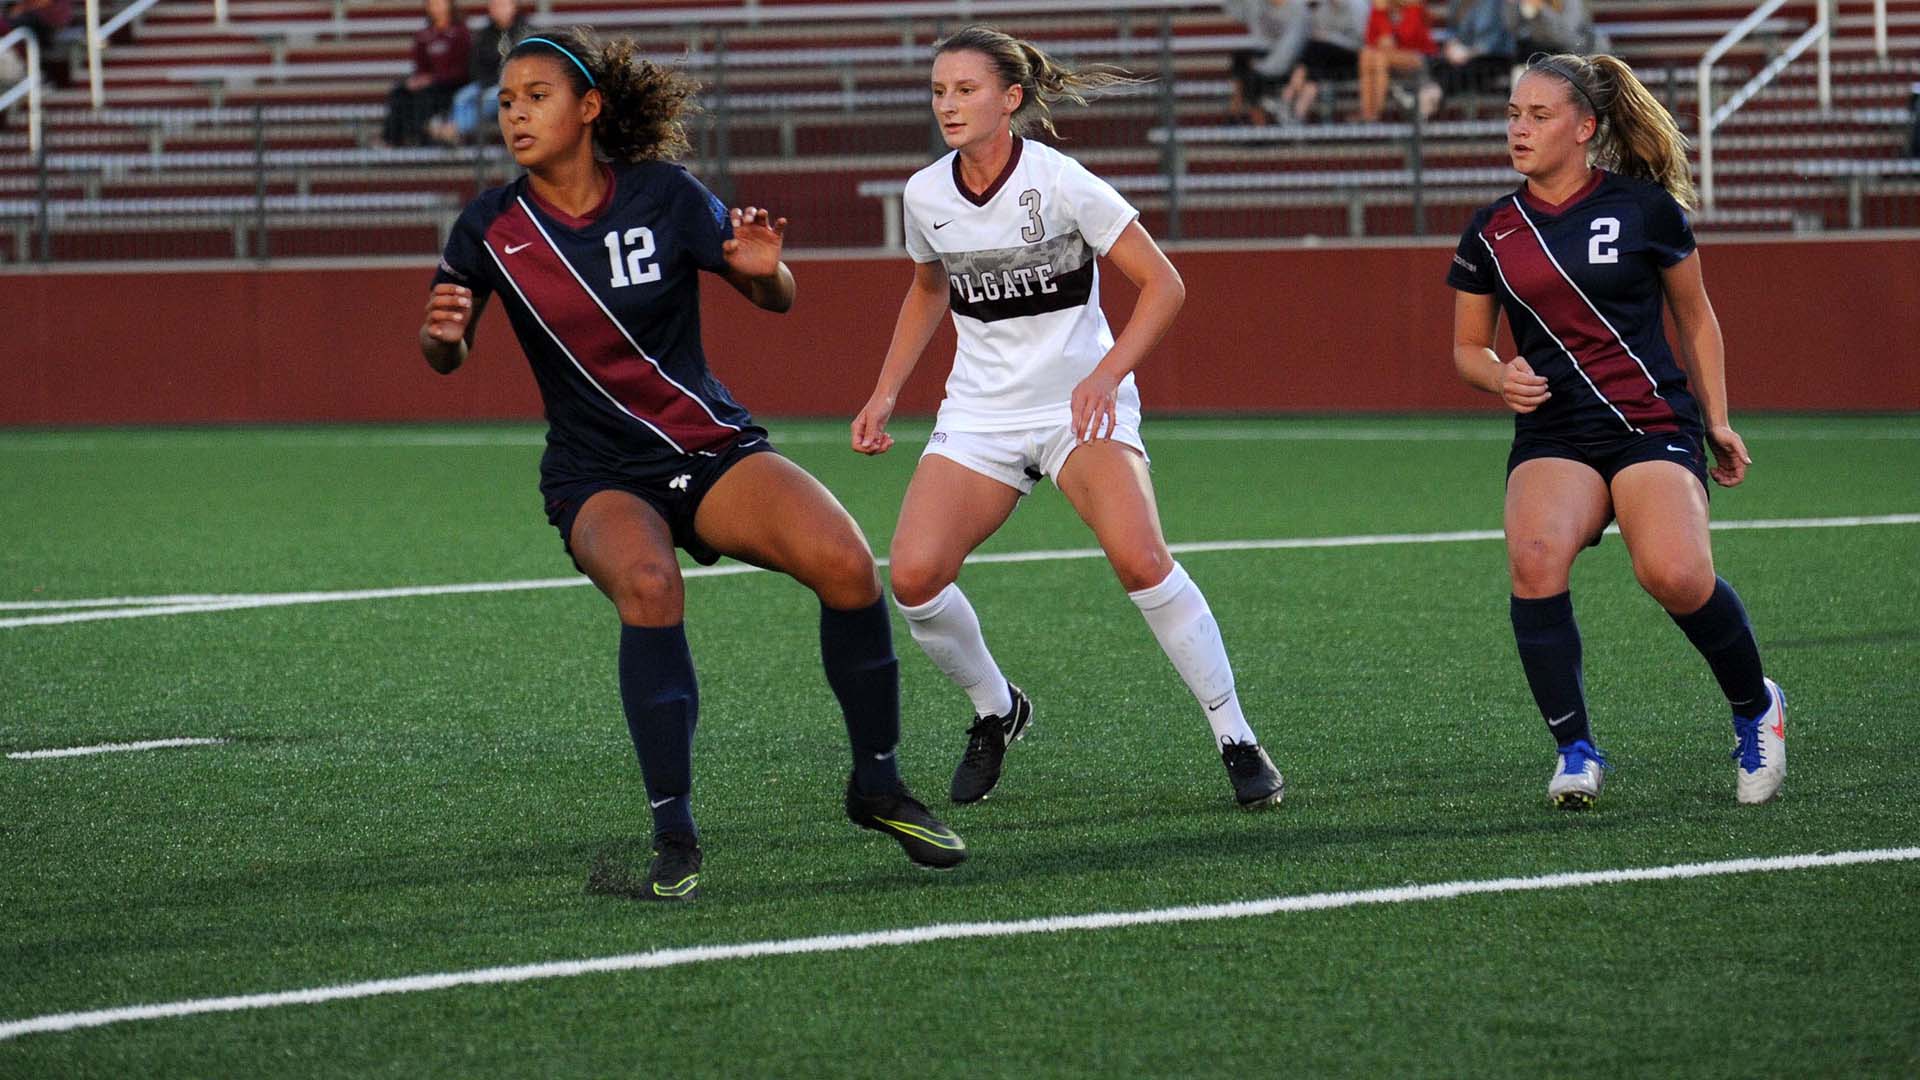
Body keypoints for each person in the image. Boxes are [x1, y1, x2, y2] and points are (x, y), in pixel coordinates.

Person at [419, 29, 967, 900]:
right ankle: (674, 835)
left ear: (589, 107)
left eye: (536, 96)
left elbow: (773, 292)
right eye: (507, 100)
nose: (515, 113)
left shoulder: (666, 196)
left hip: (708, 448)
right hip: (596, 472)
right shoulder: (490, 226)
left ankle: (878, 785)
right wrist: (440, 340)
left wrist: (764, 273)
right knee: (650, 586)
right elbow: (443, 349)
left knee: (848, 566)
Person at [851, 25, 1286, 811]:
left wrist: (1106, 375)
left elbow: (1164, 284)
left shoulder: (1061, 180)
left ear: (1010, 99)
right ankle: (997, 710)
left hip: (1078, 406)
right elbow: (927, 289)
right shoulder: (925, 193)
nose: (948, 104)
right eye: (939, 90)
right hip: (981, 413)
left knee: (1141, 560)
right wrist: (885, 391)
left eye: (966, 89)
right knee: (913, 579)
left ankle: (1235, 734)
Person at [1445, 52, 1786, 809]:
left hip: (1648, 421)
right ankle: (1575, 751)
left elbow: (1696, 318)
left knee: (1673, 573)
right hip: (1555, 430)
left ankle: (1756, 707)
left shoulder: (1646, 209)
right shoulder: (1493, 230)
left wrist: (1719, 419)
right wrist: (1499, 374)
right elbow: (1468, 348)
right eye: (1512, 115)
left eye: (1539, 116)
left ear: (1585, 127)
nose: (1519, 129)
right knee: (1535, 561)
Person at [433, 0, 527, 145]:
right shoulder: (485, 35)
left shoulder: (524, 32)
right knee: (462, 96)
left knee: (488, 99)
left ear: (513, 7)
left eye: (502, 5)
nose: (498, 9)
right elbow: (476, 64)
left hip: (510, 86)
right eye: (494, 5)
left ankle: (455, 129)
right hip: (485, 83)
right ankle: (453, 127)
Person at [382, 0, 470, 148]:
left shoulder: (461, 33)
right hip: (429, 83)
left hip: (452, 85)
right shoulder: (423, 36)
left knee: (424, 96)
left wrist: (433, 79)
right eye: (432, 3)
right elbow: (420, 67)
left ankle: (427, 136)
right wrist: (416, 81)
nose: (436, 7)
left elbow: (463, 69)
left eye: (440, 3)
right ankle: (390, 139)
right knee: (399, 92)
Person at [1425, 0, 1515, 116]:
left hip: (1493, 59)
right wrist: (1451, 46)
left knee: (1463, 70)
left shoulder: (1494, 3)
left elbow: (1492, 42)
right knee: (1435, 63)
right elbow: (1452, 32)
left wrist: (1467, 53)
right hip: (1463, 58)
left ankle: (1435, 94)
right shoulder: (1456, 3)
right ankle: (1432, 94)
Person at [1357, 0, 1436, 122]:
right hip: (1386, 58)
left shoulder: (1414, 7)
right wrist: (1381, 14)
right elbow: (1370, 39)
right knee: (1366, 55)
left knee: (1378, 58)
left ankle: (1374, 115)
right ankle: (1368, 114)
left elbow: (1407, 38)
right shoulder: (1378, 11)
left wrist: (1386, 36)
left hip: (1418, 57)